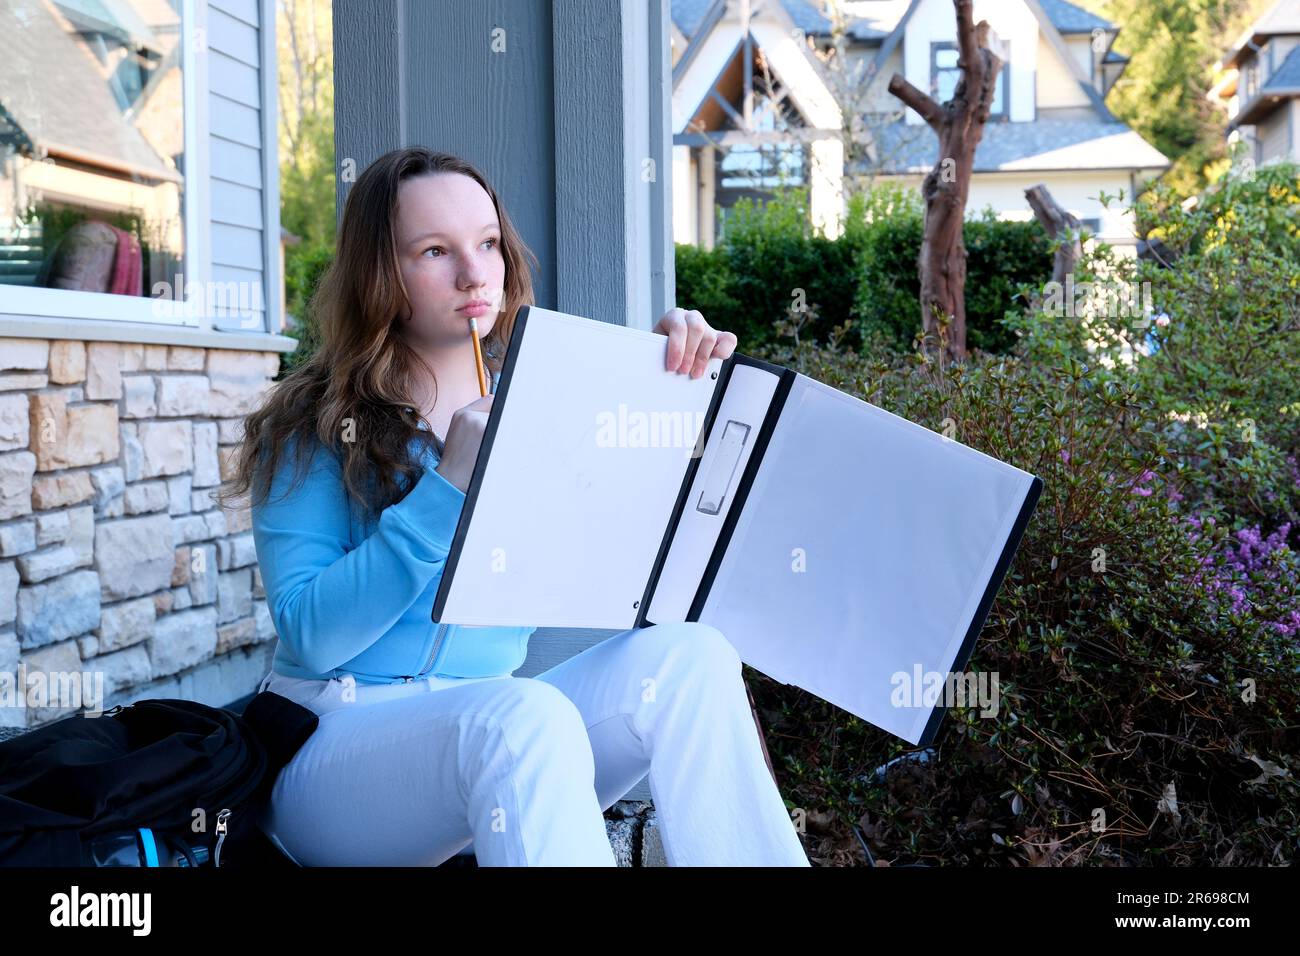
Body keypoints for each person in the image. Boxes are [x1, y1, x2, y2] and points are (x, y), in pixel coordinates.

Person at [217, 146, 810, 867]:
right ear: (381, 274)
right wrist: (445, 490)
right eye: (435, 250)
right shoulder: (315, 421)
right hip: (332, 750)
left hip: (489, 733)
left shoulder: (543, 400)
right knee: (522, 713)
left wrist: (660, 398)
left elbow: (627, 557)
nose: (474, 274)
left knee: (693, 657)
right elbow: (310, 632)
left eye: (488, 243)